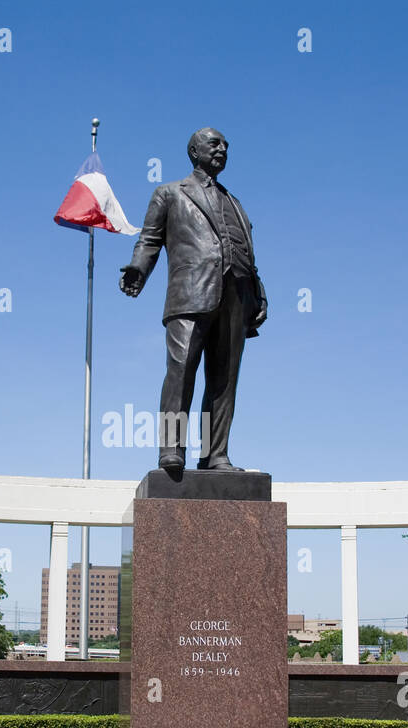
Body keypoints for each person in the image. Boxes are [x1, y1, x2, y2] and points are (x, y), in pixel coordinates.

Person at [120, 127, 267, 474]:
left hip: (236, 296)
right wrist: (139, 269)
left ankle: (216, 455)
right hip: (190, 292)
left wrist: (257, 294)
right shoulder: (170, 193)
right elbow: (150, 239)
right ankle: (172, 449)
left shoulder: (236, 202)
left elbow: (246, 252)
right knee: (181, 370)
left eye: (226, 145)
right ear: (193, 151)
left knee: (224, 380)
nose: (222, 149)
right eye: (214, 143)